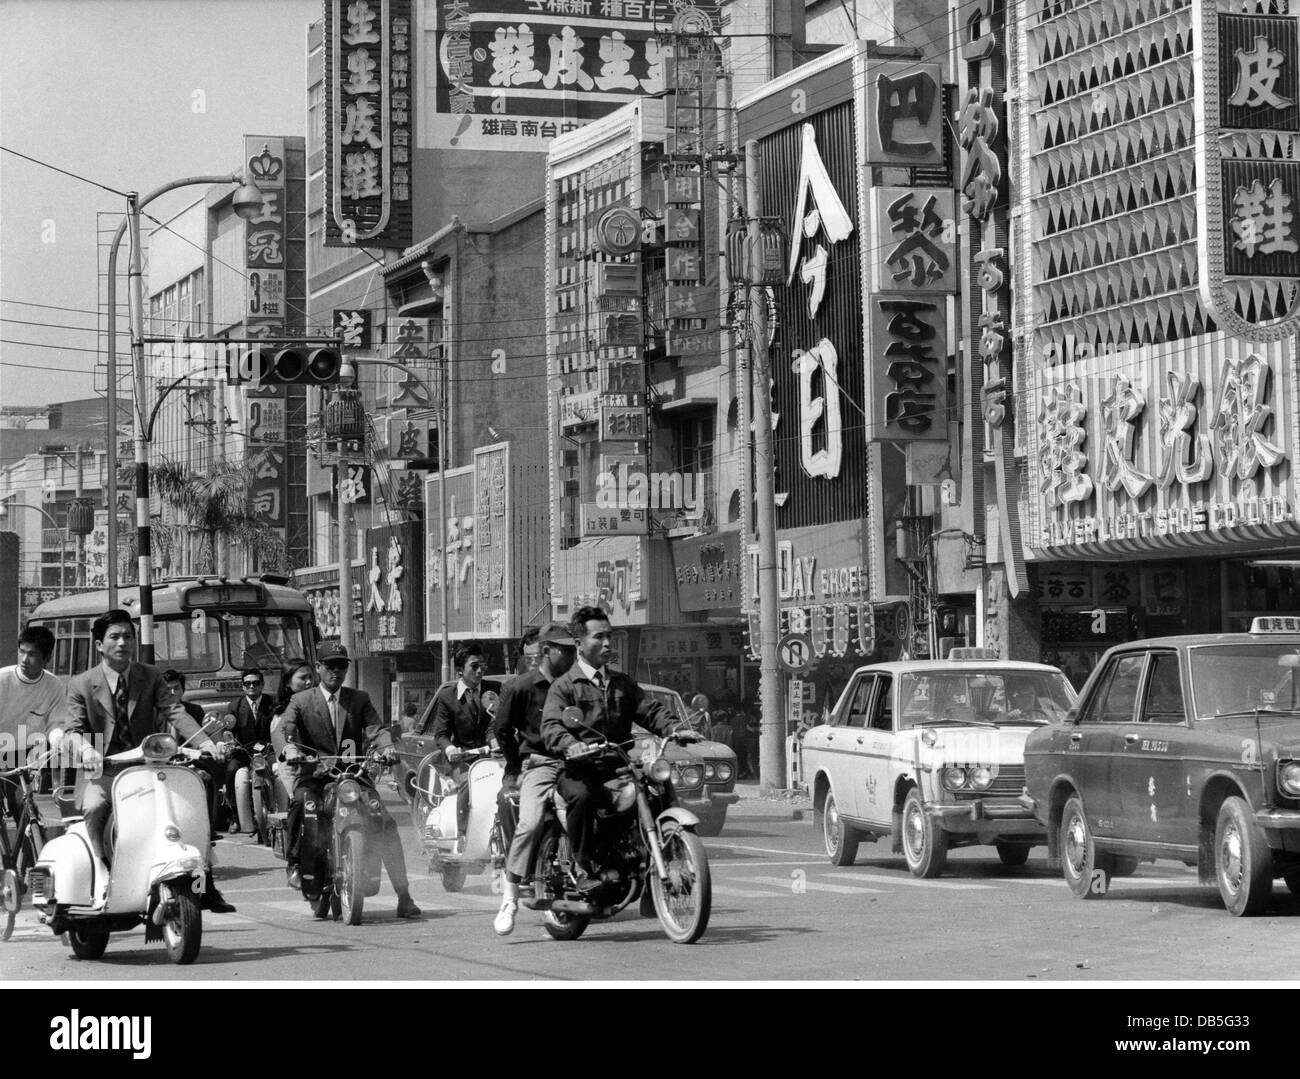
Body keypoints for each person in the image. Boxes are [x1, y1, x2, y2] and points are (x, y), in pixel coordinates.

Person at [60, 610, 234, 914]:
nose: (123, 642)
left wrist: (206, 743)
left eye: (128, 636)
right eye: (114, 636)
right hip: (105, 770)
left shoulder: (150, 676)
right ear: (99, 645)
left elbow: (175, 711)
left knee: (190, 799)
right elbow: (72, 731)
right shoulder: (81, 684)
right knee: (94, 806)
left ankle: (203, 878)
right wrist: (87, 751)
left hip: (148, 768)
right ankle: (102, 871)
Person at [541, 606, 701, 890]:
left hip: (619, 765)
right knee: (581, 796)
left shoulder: (621, 683)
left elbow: (650, 711)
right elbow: (552, 727)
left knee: (659, 788)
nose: (606, 643)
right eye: (598, 637)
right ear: (579, 643)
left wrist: (676, 728)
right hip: (581, 768)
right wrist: (572, 744)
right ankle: (582, 866)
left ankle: (665, 859)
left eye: (609, 636)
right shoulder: (565, 686)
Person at [279, 642, 421, 920]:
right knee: (301, 803)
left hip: (355, 773)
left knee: (385, 822)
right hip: (317, 775)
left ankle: (404, 897)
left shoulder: (359, 699)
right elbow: (288, 728)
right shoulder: (302, 700)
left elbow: (376, 730)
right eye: (330, 665)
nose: (336, 671)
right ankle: (295, 865)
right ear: (318, 667)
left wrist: (385, 747)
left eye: (341, 665)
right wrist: (292, 748)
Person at [490, 622, 576, 936]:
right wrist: (516, 765)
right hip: (538, 765)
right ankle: (510, 896)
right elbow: (501, 730)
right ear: (546, 651)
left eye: (572, 649)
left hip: (575, 763)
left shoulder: (575, 686)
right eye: (564, 649)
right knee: (530, 821)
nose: (570, 655)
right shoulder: (520, 687)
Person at [0, 625, 68, 814]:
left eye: (32, 654)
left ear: (47, 659)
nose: (24, 659)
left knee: (24, 807)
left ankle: (34, 841)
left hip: (22, 754)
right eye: (21, 652)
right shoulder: (2, 680)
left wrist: (58, 741)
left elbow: (56, 723)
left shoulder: (53, 686)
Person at [426, 642, 492, 835]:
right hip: (463, 760)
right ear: (459, 671)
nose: (480, 671)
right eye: (474, 666)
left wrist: (495, 739)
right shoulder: (447, 696)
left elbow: (498, 723)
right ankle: (463, 834)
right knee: (468, 787)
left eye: (483, 665)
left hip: (492, 758)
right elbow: (441, 734)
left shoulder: (494, 690)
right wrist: (450, 749)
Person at [159, 668, 227, 839]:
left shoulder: (194, 711)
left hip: (187, 763)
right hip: (159, 764)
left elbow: (203, 737)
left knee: (205, 777)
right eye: (168, 689)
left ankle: (208, 828)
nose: (173, 693)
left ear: (183, 690)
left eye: (176, 688)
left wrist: (210, 746)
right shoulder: (153, 712)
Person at [223, 668, 275, 831]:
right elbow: (228, 731)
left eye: (255, 683)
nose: (252, 686)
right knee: (231, 771)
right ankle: (235, 816)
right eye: (248, 683)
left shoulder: (273, 703)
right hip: (243, 752)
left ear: (262, 684)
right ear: (243, 686)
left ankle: (281, 810)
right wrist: (230, 743)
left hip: (268, 750)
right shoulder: (234, 706)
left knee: (279, 769)